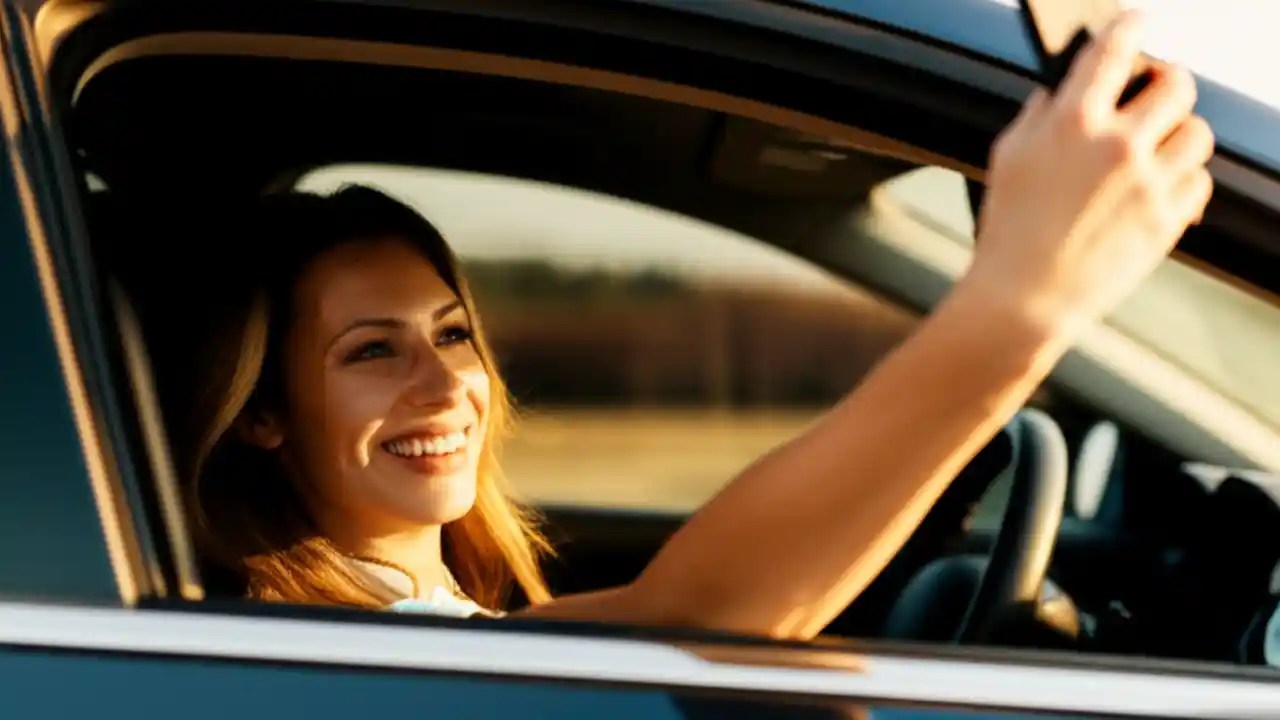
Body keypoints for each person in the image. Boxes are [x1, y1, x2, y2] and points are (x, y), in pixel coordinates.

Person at [177, 11, 1213, 638]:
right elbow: (694, 621)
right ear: (263, 411)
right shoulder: (317, 644)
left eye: (452, 335)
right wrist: (1024, 304)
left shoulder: (438, 618)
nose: (445, 385)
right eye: (372, 350)